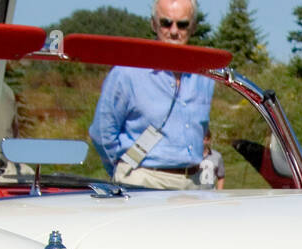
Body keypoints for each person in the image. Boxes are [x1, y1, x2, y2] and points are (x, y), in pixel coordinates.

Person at [88, 0, 214, 189]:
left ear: (193, 26)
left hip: (194, 182)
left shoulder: (205, 76)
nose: (173, 31)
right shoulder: (127, 72)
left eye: (182, 24)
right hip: (144, 180)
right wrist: (124, 168)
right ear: (154, 24)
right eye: (166, 23)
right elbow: (101, 133)